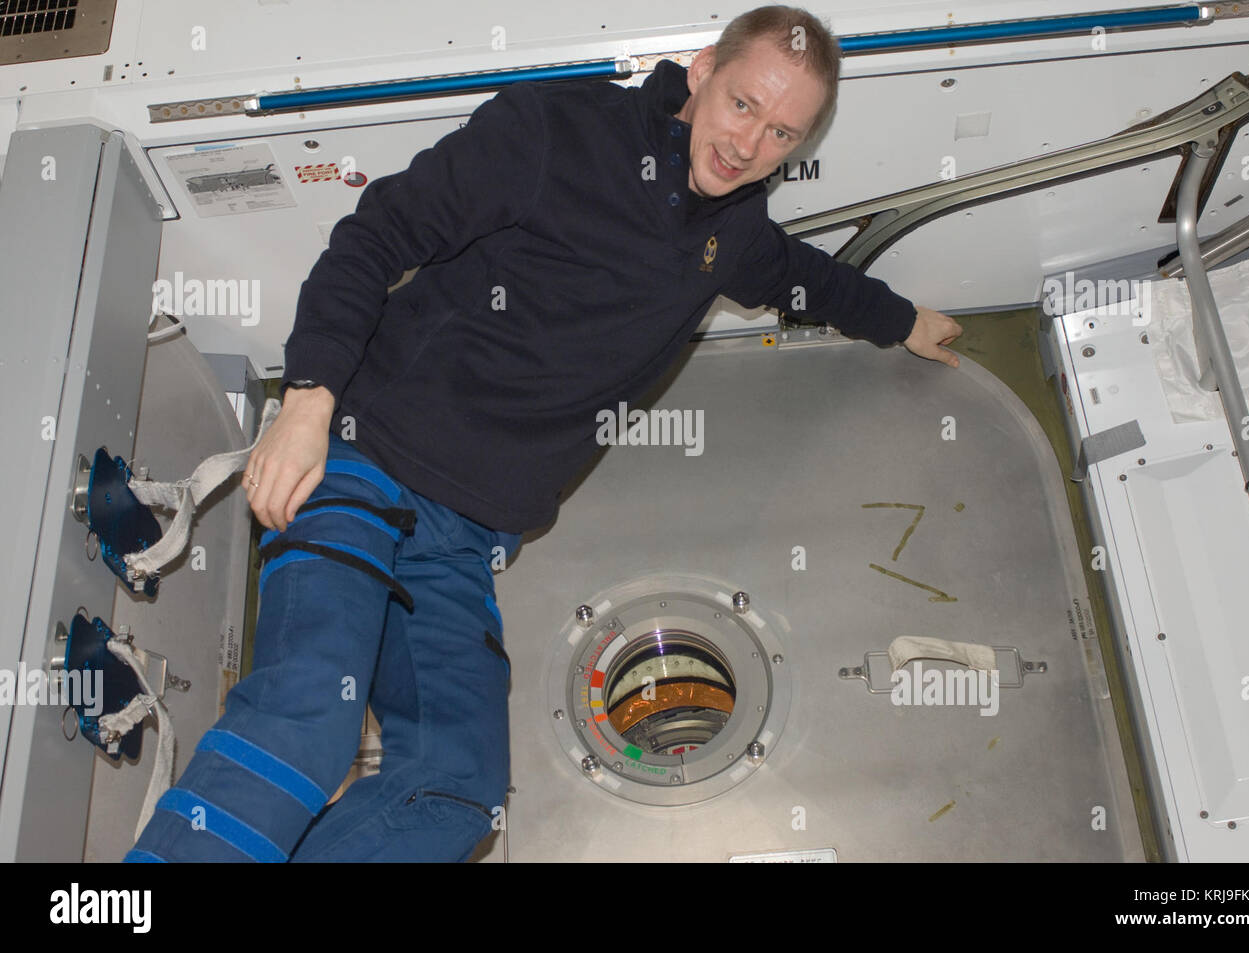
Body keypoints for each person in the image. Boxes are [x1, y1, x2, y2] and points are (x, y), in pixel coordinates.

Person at [125, 4, 961, 863]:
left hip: (461, 539)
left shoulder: (732, 232)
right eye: (743, 104)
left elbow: (803, 277)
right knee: (310, 717)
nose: (749, 147)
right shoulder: (556, 129)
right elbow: (374, 235)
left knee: (456, 795)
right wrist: (305, 401)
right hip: (362, 455)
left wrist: (903, 321)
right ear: (703, 67)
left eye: (781, 133)